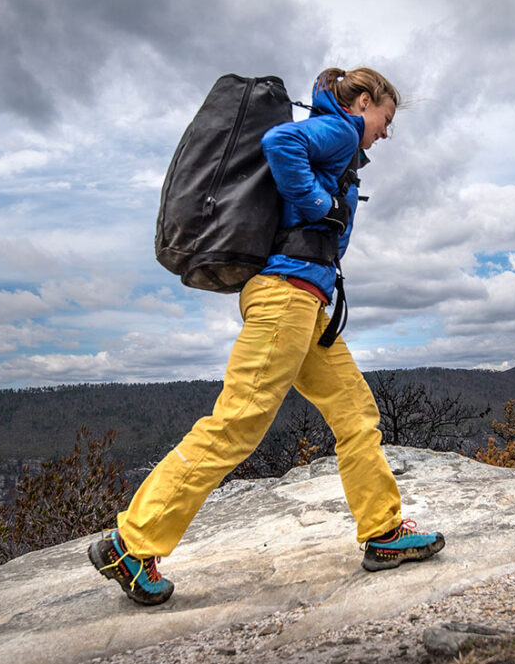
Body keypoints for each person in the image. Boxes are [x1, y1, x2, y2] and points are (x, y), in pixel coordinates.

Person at [89, 67, 445, 605]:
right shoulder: (340, 128)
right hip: (286, 299)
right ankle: (132, 544)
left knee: (355, 413)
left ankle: (383, 532)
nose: (386, 132)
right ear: (364, 101)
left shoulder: (339, 138)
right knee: (237, 423)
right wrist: (318, 205)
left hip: (306, 305)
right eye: (386, 118)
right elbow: (280, 142)